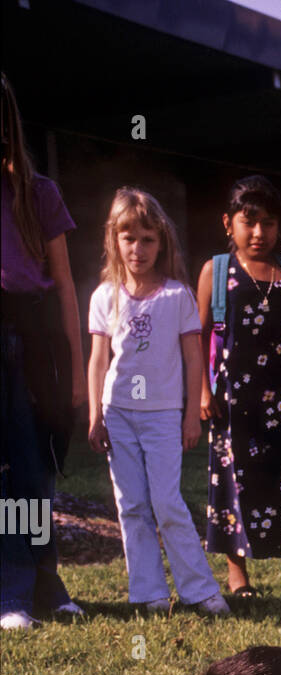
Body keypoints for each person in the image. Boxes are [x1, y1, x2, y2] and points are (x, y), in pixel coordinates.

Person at [87, 188, 229, 617]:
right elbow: (98, 361)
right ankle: (147, 593)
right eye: (128, 238)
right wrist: (95, 415)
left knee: (167, 502)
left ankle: (200, 591)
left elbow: (192, 359)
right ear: (115, 241)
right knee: (130, 504)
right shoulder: (104, 297)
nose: (138, 248)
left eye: (147, 239)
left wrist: (190, 415)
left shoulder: (178, 296)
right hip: (119, 415)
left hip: (164, 415)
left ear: (161, 242)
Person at [198, 174, 281, 601]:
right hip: (233, 400)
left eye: (269, 223)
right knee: (235, 480)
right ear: (228, 223)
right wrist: (202, 390)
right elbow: (197, 335)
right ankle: (238, 575)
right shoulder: (215, 272)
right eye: (249, 221)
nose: (259, 232)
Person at [1, 72, 85, 631]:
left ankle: (44, 580)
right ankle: (11, 590)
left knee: (35, 473)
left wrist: (78, 372)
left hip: (36, 344)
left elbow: (65, 285)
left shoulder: (39, 194)